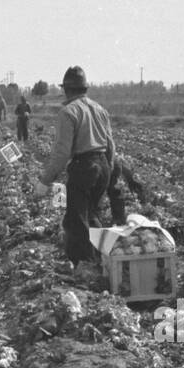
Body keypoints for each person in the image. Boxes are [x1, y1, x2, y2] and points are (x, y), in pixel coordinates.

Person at [33, 65, 115, 270]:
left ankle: (84, 268)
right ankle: (102, 261)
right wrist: (108, 170)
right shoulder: (99, 109)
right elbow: (111, 144)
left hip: (84, 166)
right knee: (92, 214)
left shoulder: (68, 112)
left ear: (67, 90)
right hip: (102, 164)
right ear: (84, 88)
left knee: (75, 222)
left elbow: (62, 153)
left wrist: (45, 181)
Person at [105, 155, 147, 224]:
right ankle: (119, 219)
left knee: (115, 193)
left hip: (110, 165)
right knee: (115, 194)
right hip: (112, 164)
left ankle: (119, 220)